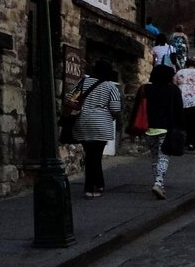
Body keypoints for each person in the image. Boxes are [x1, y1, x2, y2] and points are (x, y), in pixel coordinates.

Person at [130, 63, 184, 199]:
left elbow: (136, 108)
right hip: (166, 127)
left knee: (154, 157)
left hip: (148, 127)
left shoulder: (145, 89)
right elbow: (179, 111)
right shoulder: (174, 90)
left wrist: (132, 129)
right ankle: (159, 183)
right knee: (164, 157)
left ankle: (159, 183)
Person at [70, 58, 122, 199]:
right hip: (101, 123)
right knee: (96, 156)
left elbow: (72, 100)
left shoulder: (82, 82)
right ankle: (97, 185)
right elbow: (116, 108)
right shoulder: (110, 87)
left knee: (89, 154)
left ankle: (91, 186)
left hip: (83, 122)